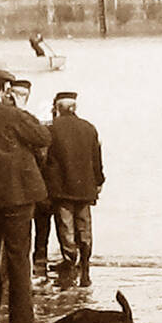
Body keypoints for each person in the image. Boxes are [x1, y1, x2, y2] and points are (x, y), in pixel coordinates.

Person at [0, 68, 51, 323]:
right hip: (17, 198)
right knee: (19, 259)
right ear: (4, 89)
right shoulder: (13, 115)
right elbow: (43, 137)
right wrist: (22, 108)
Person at [44, 92, 104, 287]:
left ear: (57, 108)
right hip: (86, 188)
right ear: (74, 108)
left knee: (66, 228)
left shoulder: (51, 128)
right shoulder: (89, 128)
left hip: (61, 188)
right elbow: (97, 159)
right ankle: (85, 267)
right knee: (84, 227)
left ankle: (70, 263)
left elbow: (45, 160)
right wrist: (99, 181)